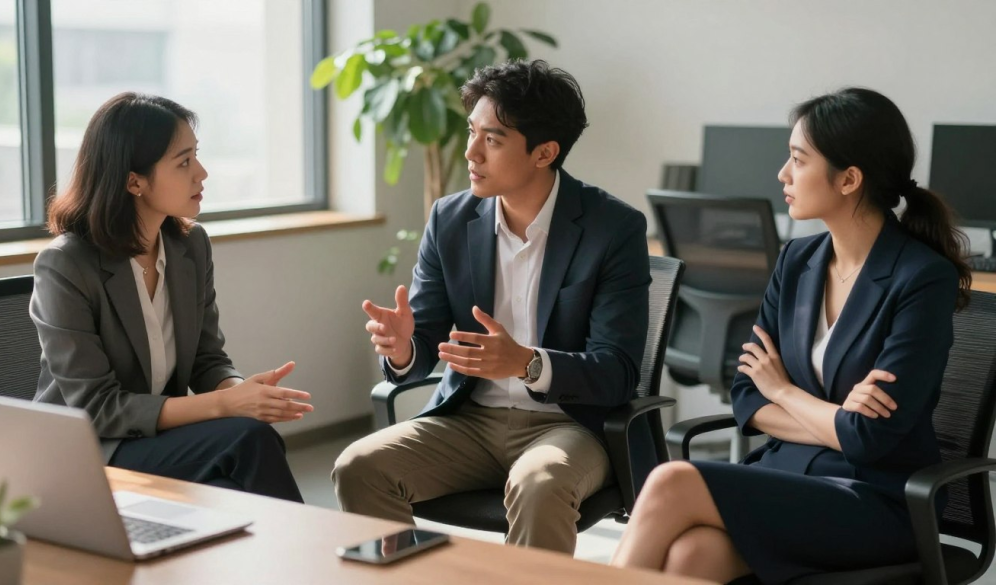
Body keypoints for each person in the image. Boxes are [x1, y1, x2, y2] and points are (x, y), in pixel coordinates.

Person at [610, 87, 972, 584]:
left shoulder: (921, 278)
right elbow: (745, 396)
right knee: (692, 557)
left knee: (673, 479)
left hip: (875, 501)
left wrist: (783, 391)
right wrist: (838, 419)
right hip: (786, 477)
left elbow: (870, 440)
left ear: (849, 179)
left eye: (798, 159)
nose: (782, 173)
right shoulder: (797, 260)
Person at [332, 60, 651, 554]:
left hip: (568, 424)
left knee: (540, 484)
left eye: (493, 139)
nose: (470, 151)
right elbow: (424, 341)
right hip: (469, 421)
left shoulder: (613, 229)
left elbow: (618, 372)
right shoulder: (450, 219)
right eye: (471, 131)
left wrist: (526, 362)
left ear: (545, 152)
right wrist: (401, 350)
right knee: (360, 466)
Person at [31, 92, 311, 503]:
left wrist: (241, 390)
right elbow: (98, 407)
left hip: (158, 439)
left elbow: (205, 358)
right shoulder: (66, 265)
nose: (202, 173)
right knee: (248, 441)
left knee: (230, 486)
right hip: (91, 448)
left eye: (196, 156)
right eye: (184, 162)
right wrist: (225, 405)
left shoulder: (190, 245)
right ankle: (307, 559)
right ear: (134, 181)